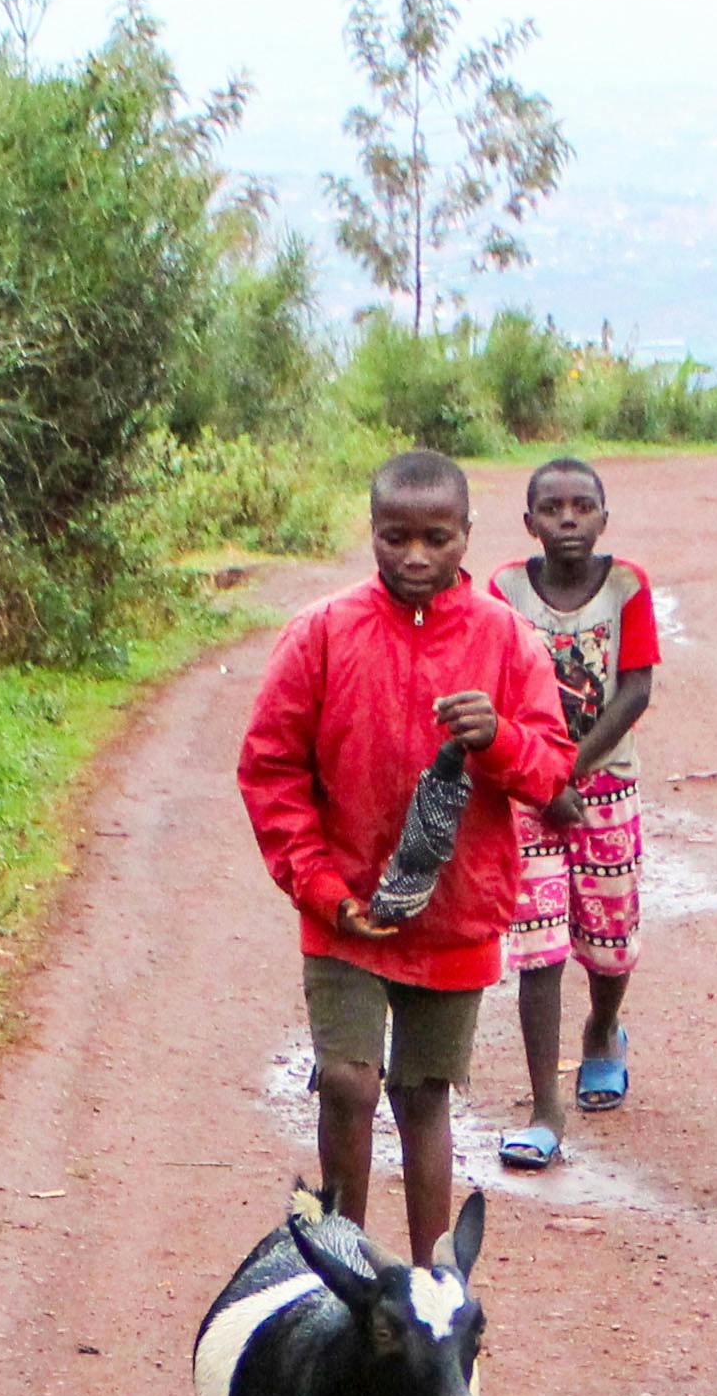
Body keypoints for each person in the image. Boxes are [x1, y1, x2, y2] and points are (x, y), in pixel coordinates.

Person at [234, 448, 573, 1261]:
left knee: (424, 1096)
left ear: (467, 534)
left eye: (436, 538)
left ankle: (430, 1285)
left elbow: (552, 767)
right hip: (345, 906)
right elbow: (270, 767)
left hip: (457, 911)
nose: (415, 557)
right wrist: (319, 885)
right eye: (396, 538)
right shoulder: (321, 634)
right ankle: (341, 1265)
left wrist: (497, 739)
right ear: (372, 531)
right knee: (348, 1082)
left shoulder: (506, 641)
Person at [488, 456, 660, 1171]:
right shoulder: (502, 590)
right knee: (537, 946)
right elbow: (490, 683)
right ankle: (543, 1109)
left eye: (582, 507)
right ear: (528, 523)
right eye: (552, 508)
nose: (567, 519)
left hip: (602, 785)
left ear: (603, 519)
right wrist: (535, 776)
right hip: (525, 792)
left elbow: (634, 692)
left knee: (609, 937)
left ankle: (603, 1029)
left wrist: (570, 768)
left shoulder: (626, 587)